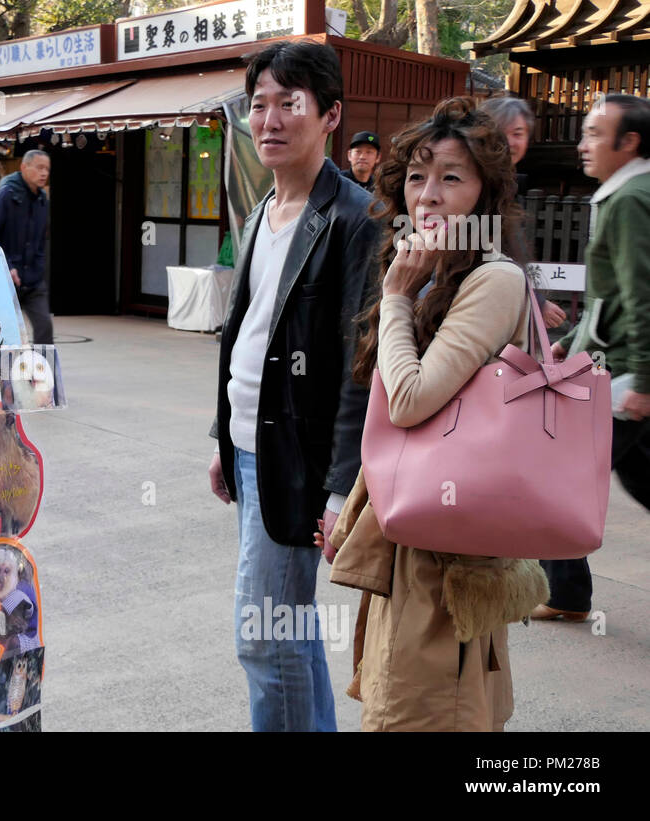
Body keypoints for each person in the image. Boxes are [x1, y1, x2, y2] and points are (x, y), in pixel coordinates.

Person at [329, 98, 548, 731]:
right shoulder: (434, 271)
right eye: (418, 177)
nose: (429, 194)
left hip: (452, 552)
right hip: (417, 532)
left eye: (451, 177)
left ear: (485, 194)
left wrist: (396, 299)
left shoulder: (490, 278)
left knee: (428, 712)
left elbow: (411, 399)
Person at [206, 41, 377, 732]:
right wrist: (225, 434)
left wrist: (341, 487)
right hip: (251, 450)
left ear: (330, 114)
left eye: (289, 104)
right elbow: (244, 336)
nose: (269, 120)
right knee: (289, 628)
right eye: (259, 105)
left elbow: (361, 365)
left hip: (300, 461)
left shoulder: (355, 219)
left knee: (266, 633)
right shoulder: (259, 211)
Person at [537, 93, 650, 622]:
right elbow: (614, 297)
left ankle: (565, 595)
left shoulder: (631, 199)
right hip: (618, 365)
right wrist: (574, 338)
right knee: (637, 475)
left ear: (629, 143)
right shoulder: (626, 192)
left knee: (559, 476)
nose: (582, 144)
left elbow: (643, 295)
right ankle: (566, 593)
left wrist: (646, 380)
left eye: (594, 135)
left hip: (626, 375)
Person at [479, 95, 569, 333]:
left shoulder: (506, 184)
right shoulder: (479, 184)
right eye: (500, 132)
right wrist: (535, 301)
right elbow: (487, 251)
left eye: (518, 133)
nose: (509, 141)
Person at [0, 152, 53, 344]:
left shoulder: (42, 200)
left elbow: (40, 241)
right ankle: (5, 373)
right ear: (24, 167)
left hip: (34, 280)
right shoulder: (7, 194)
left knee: (44, 325)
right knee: (6, 332)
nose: (44, 173)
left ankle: (43, 372)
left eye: (47, 169)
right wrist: (7, 266)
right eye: (39, 167)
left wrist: (39, 266)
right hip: (7, 279)